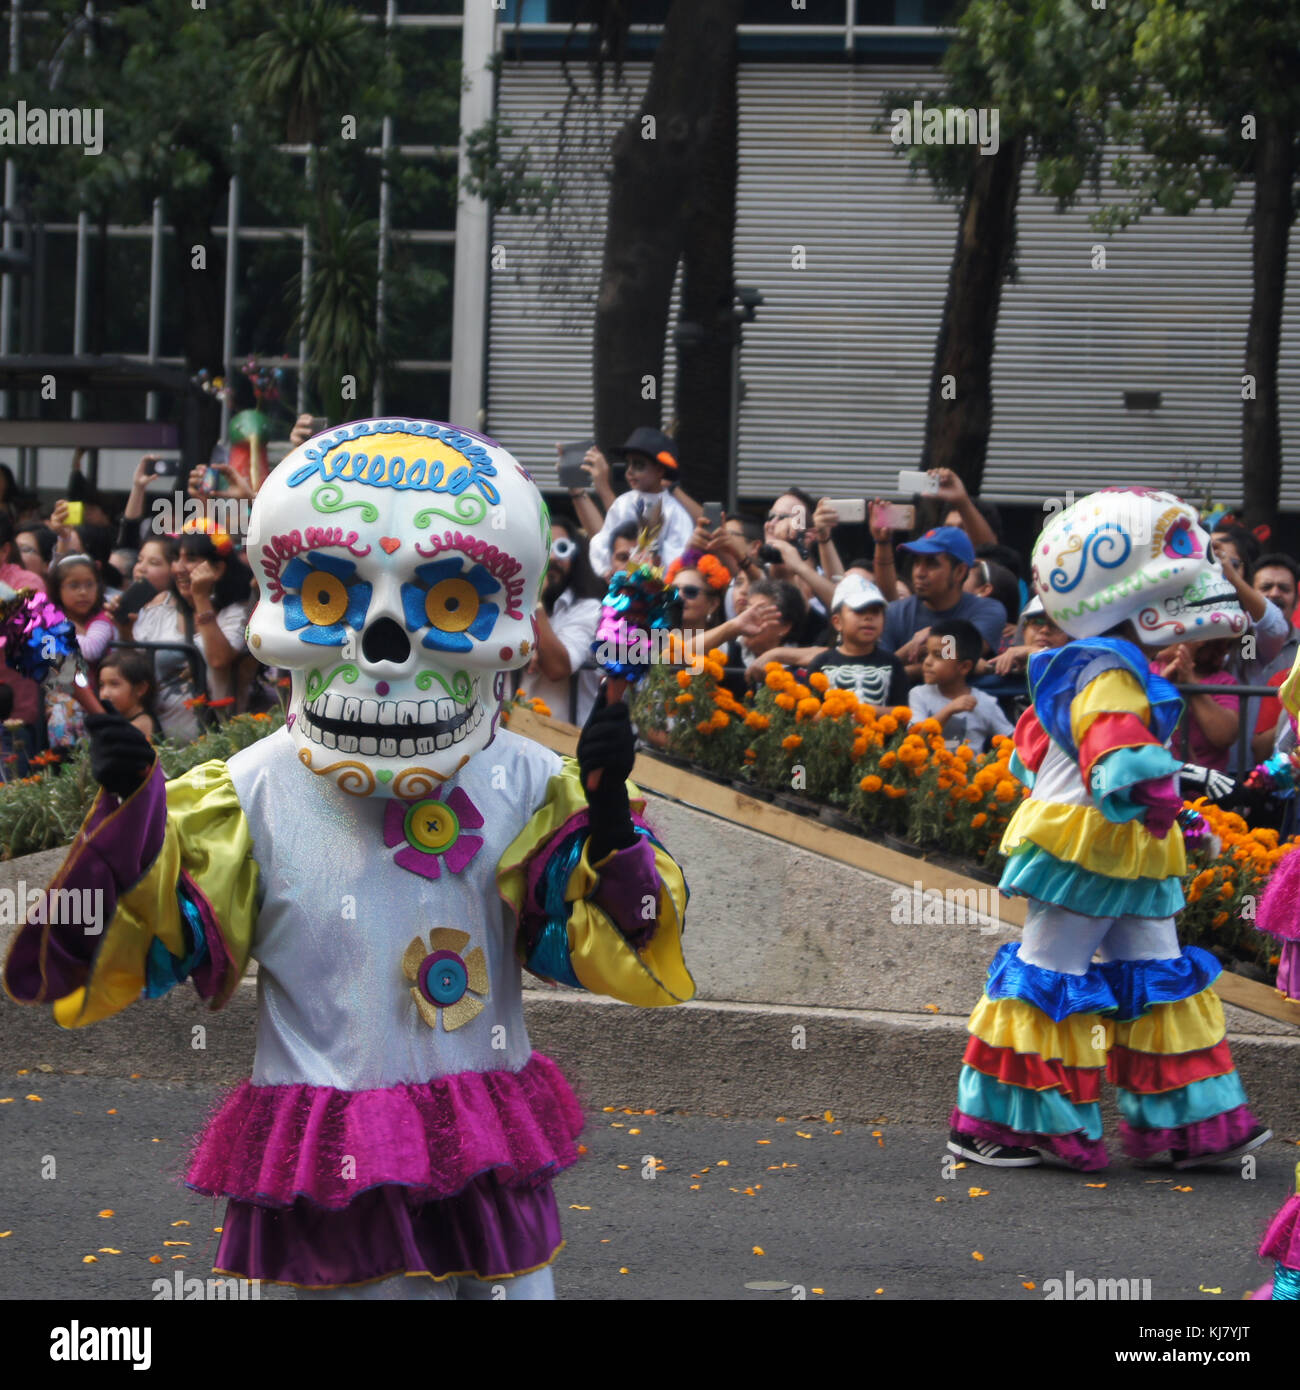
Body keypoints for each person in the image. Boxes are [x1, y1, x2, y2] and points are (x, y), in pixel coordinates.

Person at [3, 419, 693, 1302]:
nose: (384, 640)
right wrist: (126, 827)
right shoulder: (247, 795)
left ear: (510, 629)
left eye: (447, 604)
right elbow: (126, 954)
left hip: (483, 1140)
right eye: (328, 597)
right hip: (336, 1160)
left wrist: (607, 828)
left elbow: (607, 945)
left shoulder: (528, 782)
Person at [948, 488, 1269, 1172]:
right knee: (1048, 977)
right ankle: (996, 1124)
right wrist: (1171, 800)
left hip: (1122, 849)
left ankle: (1188, 1125)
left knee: (1158, 975)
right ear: (1130, 602)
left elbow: (1051, 758)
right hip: (1086, 851)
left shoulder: (1108, 666)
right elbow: (1115, 762)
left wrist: (1171, 809)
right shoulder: (1107, 668)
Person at [133, 525, 253, 741]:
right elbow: (133, 663)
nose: (179, 568)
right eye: (176, 558)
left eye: (191, 559)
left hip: (215, 743)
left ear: (217, 569)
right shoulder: (162, 605)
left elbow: (218, 660)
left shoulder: (236, 612)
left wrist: (201, 598)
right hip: (159, 743)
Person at [881, 526, 1007, 683]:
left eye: (931, 563)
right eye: (917, 562)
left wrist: (930, 639)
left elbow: (963, 653)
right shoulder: (894, 612)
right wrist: (909, 649)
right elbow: (876, 672)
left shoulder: (988, 610)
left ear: (960, 572)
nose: (919, 572)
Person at [520, 523, 606, 726]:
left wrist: (535, 600)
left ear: (575, 558)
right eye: (543, 548)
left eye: (561, 548)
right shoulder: (506, 606)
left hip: (561, 746)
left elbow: (557, 668)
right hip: (513, 734)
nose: (552, 558)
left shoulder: (589, 609)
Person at [586, 428, 694, 575]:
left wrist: (652, 572)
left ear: (660, 470)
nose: (630, 471)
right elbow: (604, 539)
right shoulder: (622, 503)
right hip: (620, 582)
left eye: (639, 465)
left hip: (656, 588)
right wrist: (605, 569)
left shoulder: (675, 512)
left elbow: (678, 554)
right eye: (628, 464)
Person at [800, 575, 908, 711]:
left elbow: (903, 713)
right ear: (837, 622)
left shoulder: (893, 663)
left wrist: (864, 710)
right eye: (859, 611)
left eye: (875, 612)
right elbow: (808, 715)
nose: (868, 617)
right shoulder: (821, 663)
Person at [44, 554, 116, 755]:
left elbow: (91, 649)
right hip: (62, 711)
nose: (83, 592)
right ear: (58, 590)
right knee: (69, 764)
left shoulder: (101, 619)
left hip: (98, 705)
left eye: (89, 584)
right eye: (73, 586)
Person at [906, 618, 1013, 752]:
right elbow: (915, 739)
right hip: (927, 772)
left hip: (970, 772)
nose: (927, 662)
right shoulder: (919, 694)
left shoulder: (984, 703)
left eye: (938, 655)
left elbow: (1012, 740)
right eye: (926, 654)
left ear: (964, 667)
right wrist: (949, 710)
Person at [1153, 639, 1239, 776]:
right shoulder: (1148, 670)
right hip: (1154, 781)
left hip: (1202, 789)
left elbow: (1225, 737)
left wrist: (1190, 683)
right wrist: (1164, 686)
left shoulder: (1223, 681)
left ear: (1199, 641)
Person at [97, 647, 160, 739]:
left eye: (114, 684)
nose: (105, 693)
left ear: (140, 689)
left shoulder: (138, 727)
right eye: (101, 685)